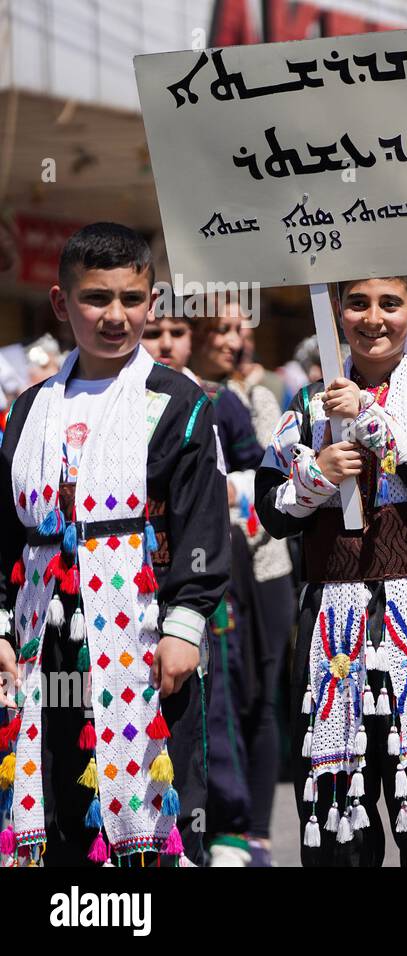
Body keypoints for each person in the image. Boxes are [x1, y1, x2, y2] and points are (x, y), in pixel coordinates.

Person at [0, 222, 230, 866]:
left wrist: (186, 627)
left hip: (144, 644)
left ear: (153, 303)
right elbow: (5, 530)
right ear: (59, 303)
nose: (115, 316)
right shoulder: (28, 409)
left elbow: (202, 526)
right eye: (96, 298)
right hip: (43, 647)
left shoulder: (178, 402)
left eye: (132, 299)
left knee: (154, 805)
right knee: (51, 798)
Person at [255, 274, 407, 866]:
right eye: (357, 303)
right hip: (335, 619)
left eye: (390, 303)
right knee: (337, 815)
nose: (373, 318)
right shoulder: (306, 406)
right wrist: (318, 473)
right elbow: (271, 512)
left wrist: (374, 422)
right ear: (336, 311)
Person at [189, 298, 295, 867]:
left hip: (264, 568)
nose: (235, 341)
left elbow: (268, 477)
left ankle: (253, 828)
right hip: (217, 572)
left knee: (261, 694)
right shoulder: (181, 393)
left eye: (240, 329)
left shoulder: (247, 397)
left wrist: (231, 492)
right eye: (221, 330)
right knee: (225, 694)